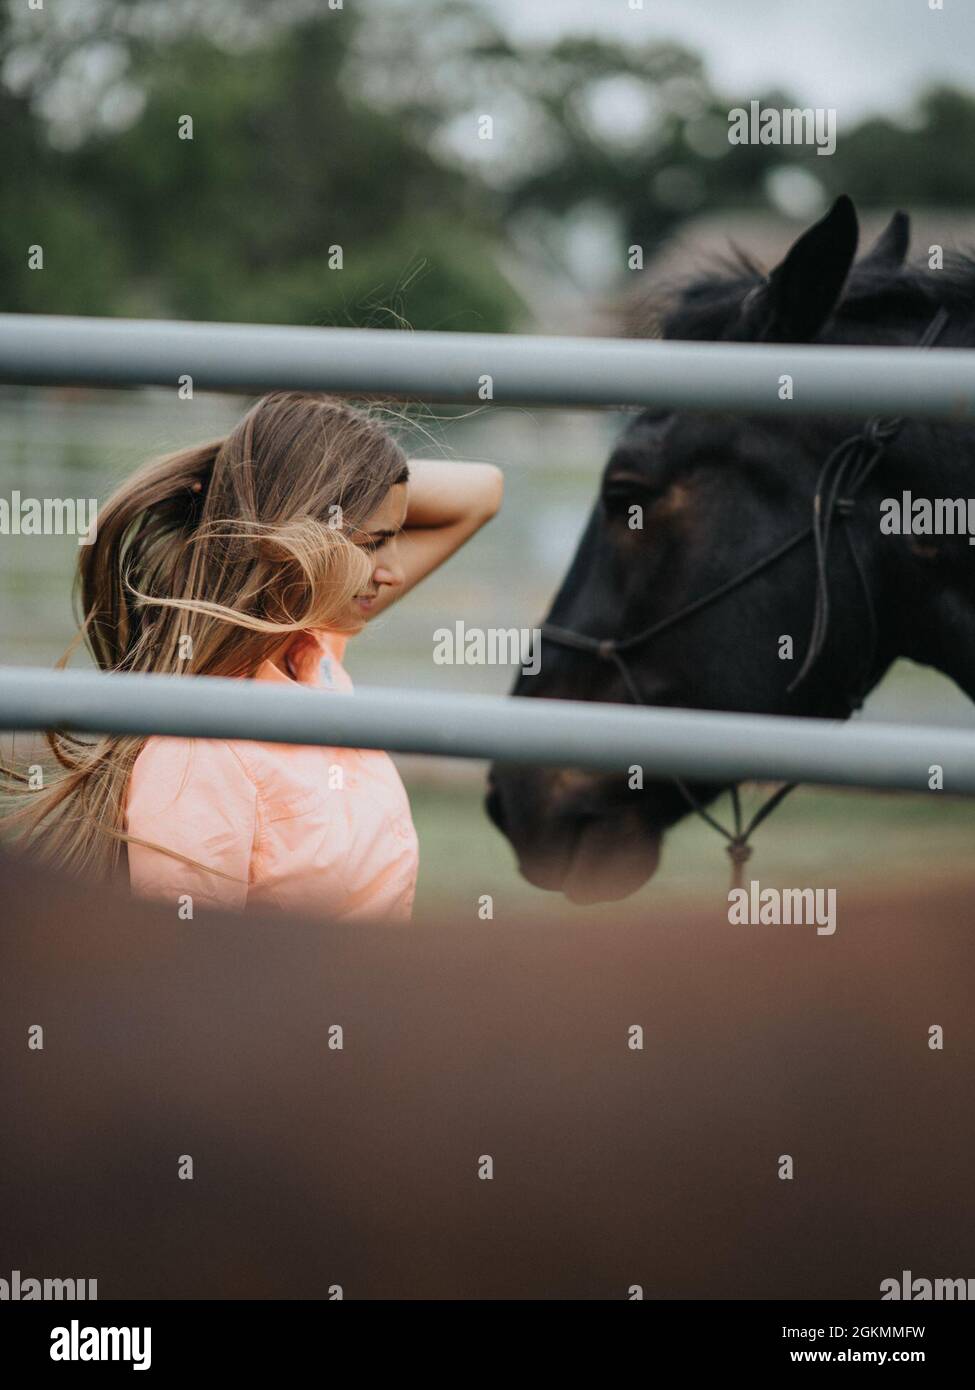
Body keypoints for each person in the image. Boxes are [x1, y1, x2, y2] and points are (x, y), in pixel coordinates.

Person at [1, 391, 502, 921]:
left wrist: (274, 467)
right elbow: (182, 974)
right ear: (297, 533)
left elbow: (483, 492)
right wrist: (279, 476)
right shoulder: (196, 753)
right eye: (373, 542)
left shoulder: (311, 645)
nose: (394, 571)